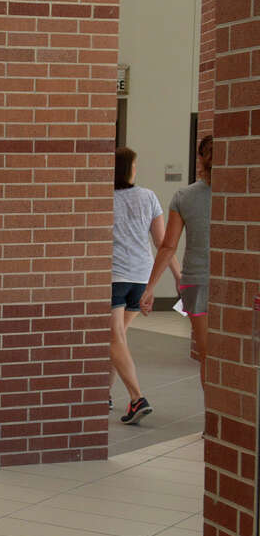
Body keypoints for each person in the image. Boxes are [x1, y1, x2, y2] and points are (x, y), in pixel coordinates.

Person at [111, 147, 180, 425]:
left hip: (114, 277)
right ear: (130, 169)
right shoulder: (148, 196)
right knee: (119, 339)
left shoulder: (103, 198)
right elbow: (163, 243)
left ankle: (137, 397)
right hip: (141, 277)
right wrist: (177, 275)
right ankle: (102, 395)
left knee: (114, 339)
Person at [140, 135, 212, 388]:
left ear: (201, 159)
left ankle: (212, 421)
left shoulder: (184, 197)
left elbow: (168, 245)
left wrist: (150, 288)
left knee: (207, 356)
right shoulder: (243, 195)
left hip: (196, 284)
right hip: (235, 284)